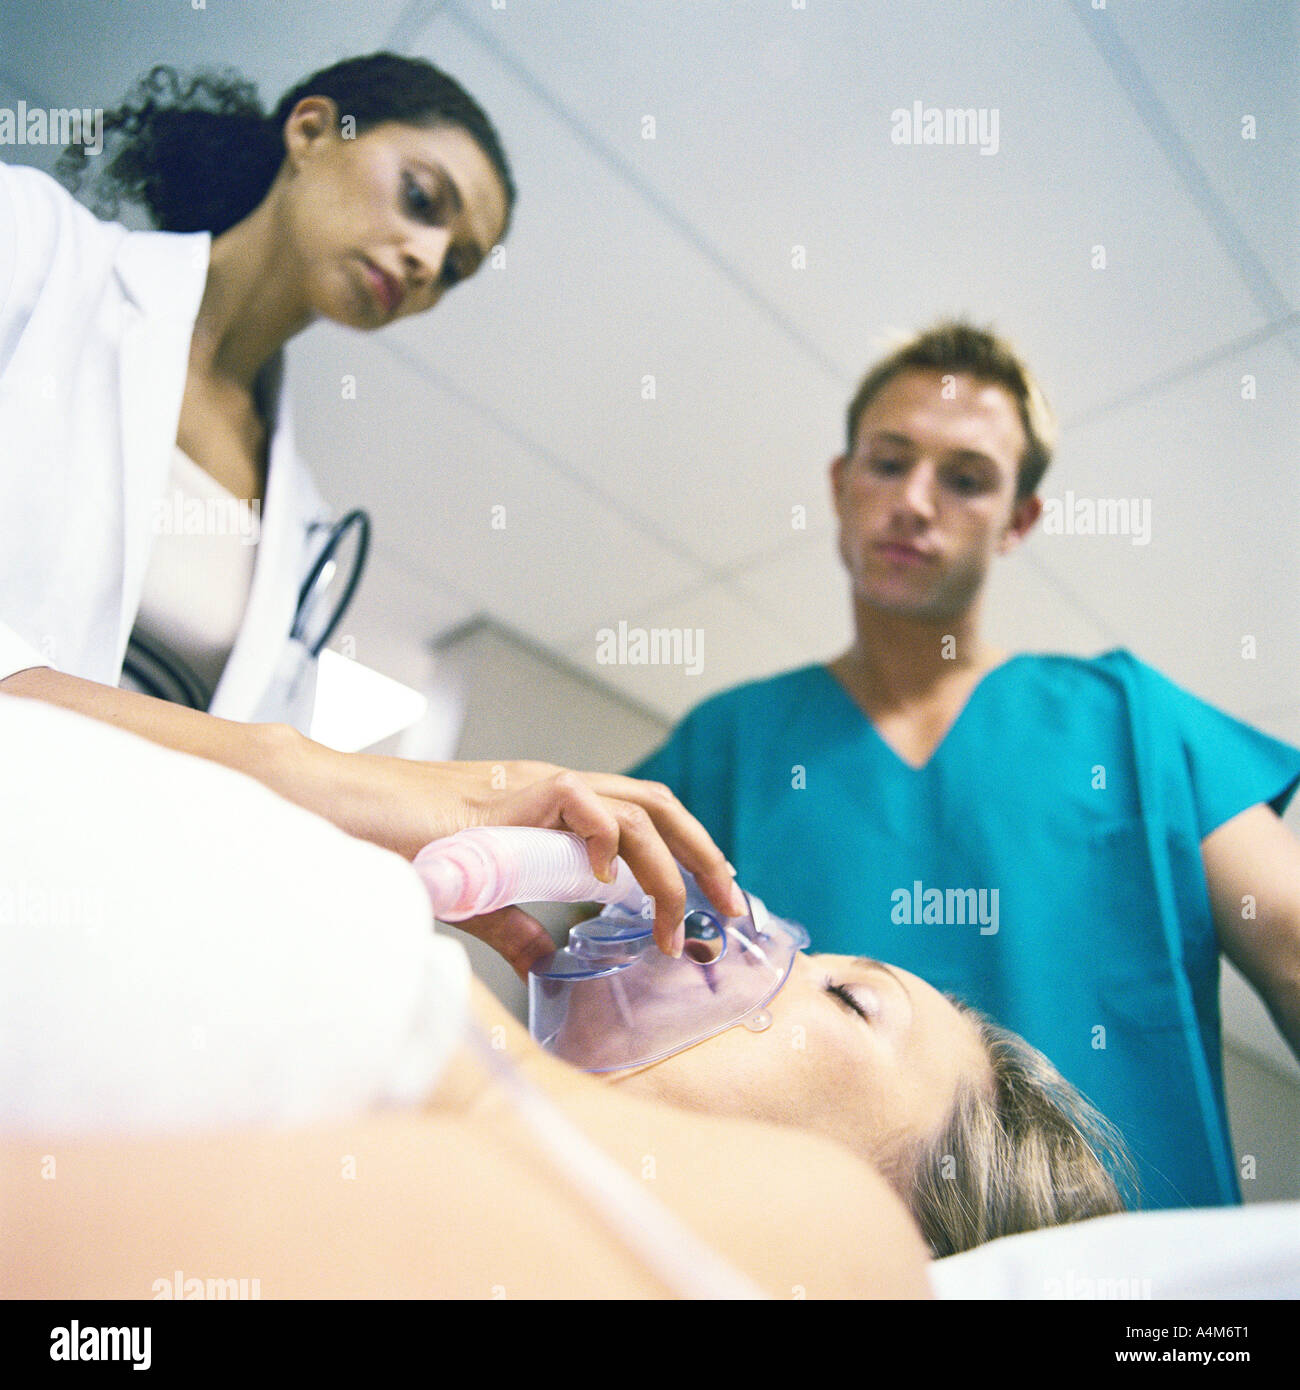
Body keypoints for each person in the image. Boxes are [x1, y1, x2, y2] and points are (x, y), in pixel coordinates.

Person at [0, 693, 1122, 1296]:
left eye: (848, 998)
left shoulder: (842, 1254)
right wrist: (313, 776)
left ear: (889, 1217)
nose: (751, 935)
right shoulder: (429, 1011)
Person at [0, 54, 744, 959]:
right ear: (312, 131)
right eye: (423, 201)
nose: (427, 261)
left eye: (456, 266)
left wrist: (376, 854)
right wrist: (299, 766)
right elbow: (259, 762)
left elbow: (223, 791)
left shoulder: (304, 528)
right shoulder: (32, 248)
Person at [633, 320, 1300, 1211]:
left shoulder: (1132, 720)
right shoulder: (726, 746)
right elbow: (589, 963)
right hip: (801, 1258)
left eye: (966, 479)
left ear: (1019, 519)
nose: (914, 501)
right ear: (839, 485)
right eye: (887, 461)